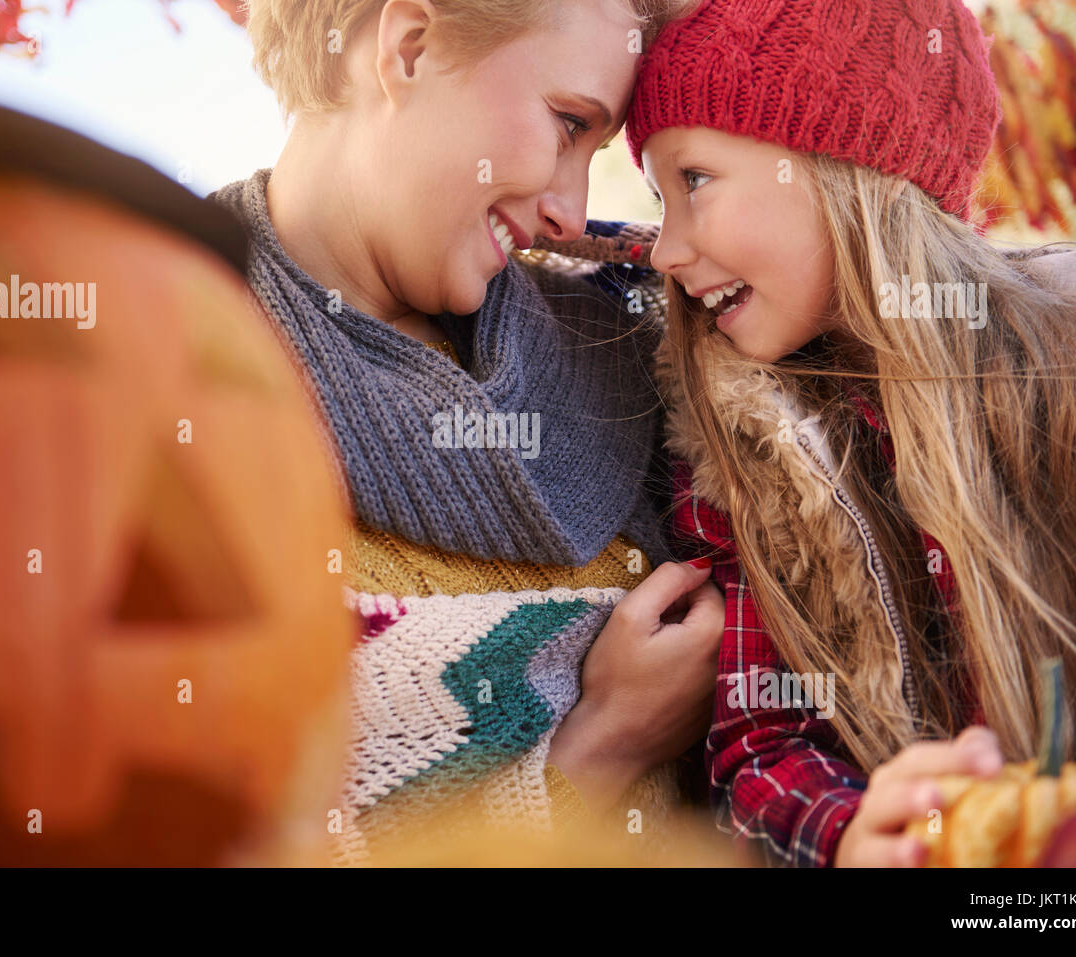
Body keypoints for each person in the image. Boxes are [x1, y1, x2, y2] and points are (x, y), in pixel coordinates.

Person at [626, 0, 1076, 867]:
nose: (664, 250)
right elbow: (762, 742)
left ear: (844, 167)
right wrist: (850, 828)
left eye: (695, 180)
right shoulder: (741, 445)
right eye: (656, 198)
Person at [210, 0, 720, 863]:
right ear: (410, 47)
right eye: (567, 123)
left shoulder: (636, 346)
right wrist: (603, 747)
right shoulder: (159, 381)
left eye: (595, 152)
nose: (571, 208)